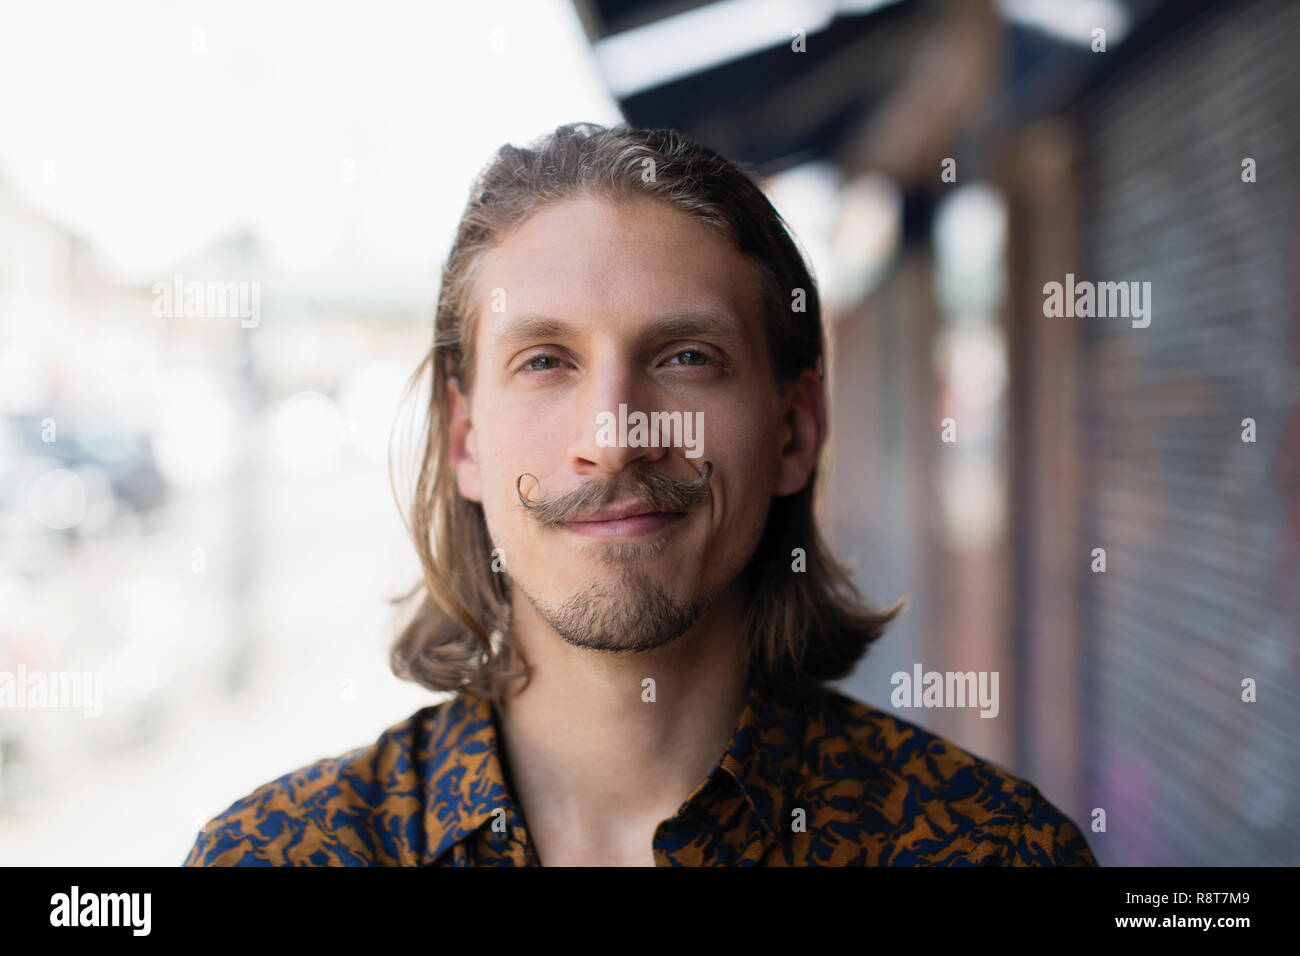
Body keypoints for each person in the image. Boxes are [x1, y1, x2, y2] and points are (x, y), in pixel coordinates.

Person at [184, 122, 1097, 867]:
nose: (615, 438)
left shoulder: (990, 853)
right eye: (546, 363)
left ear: (794, 430)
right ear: (465, 441)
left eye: (686, 358)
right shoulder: (279, 859)